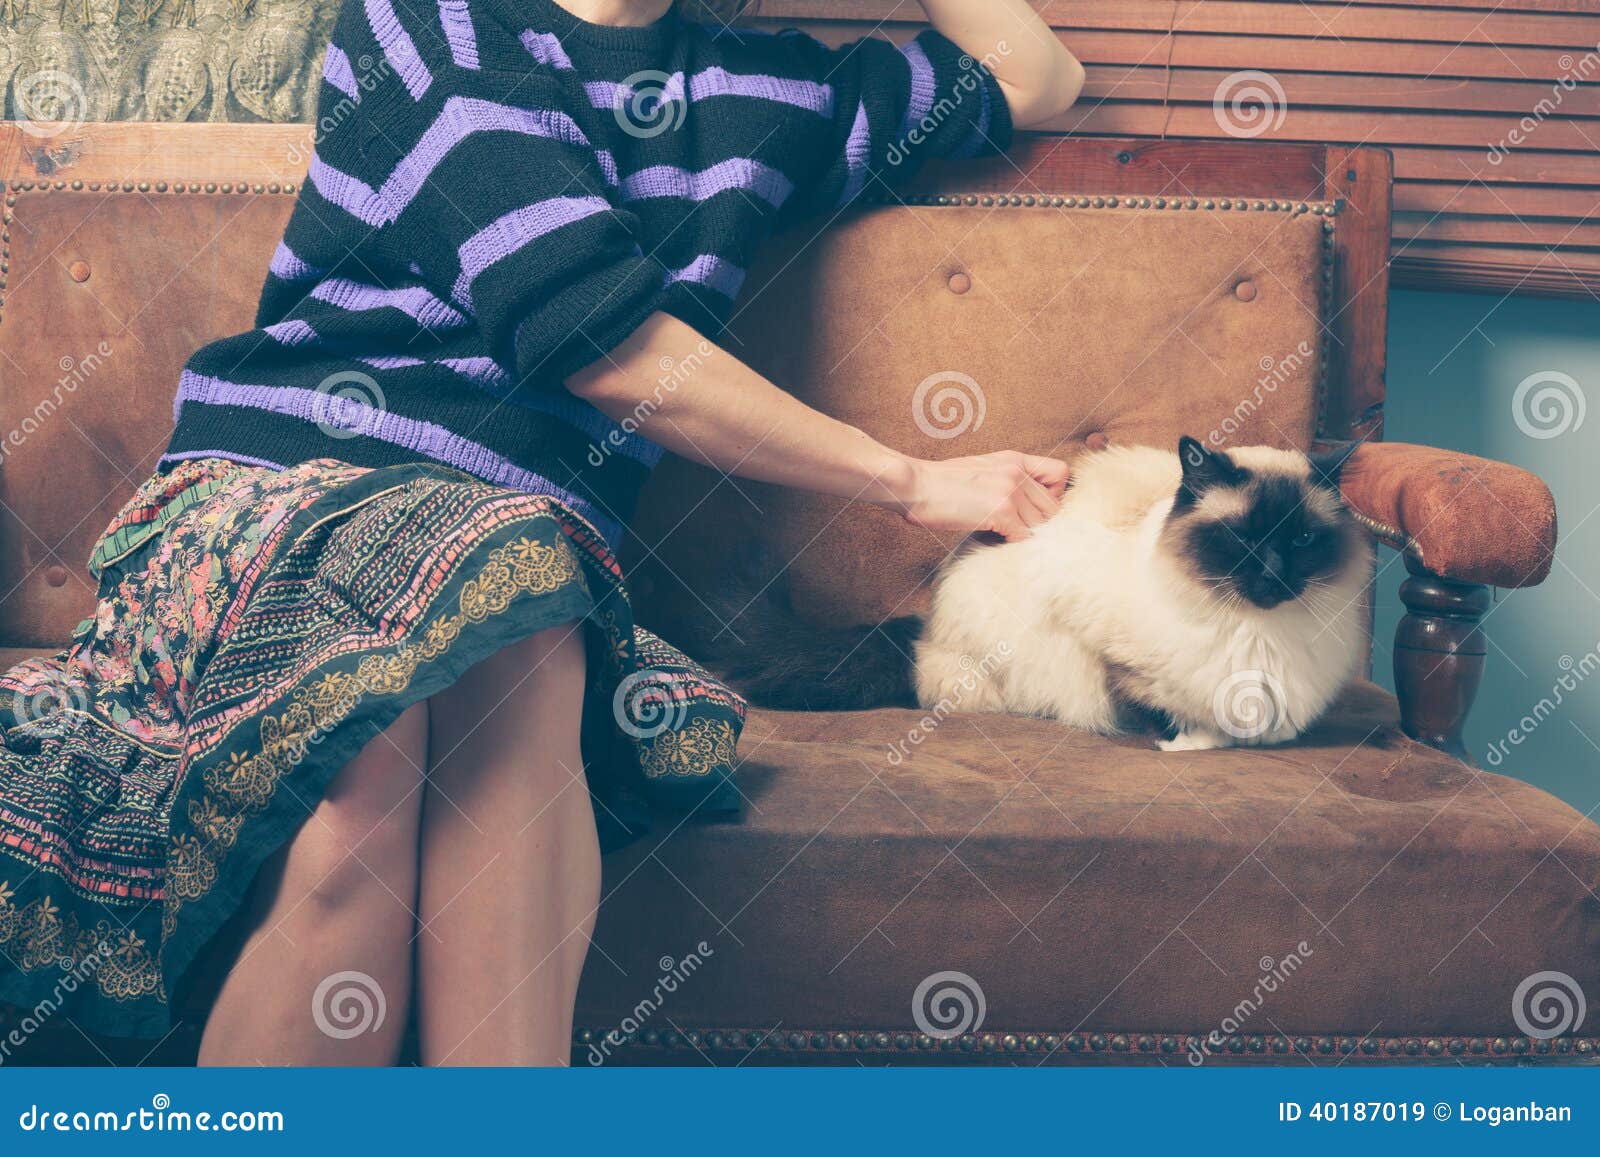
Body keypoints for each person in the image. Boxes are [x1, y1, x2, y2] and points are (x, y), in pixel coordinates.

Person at [0, 0, 1083, 1066]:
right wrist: (905, 476)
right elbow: (593, 339)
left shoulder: (770, 90)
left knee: (515, 600)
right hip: (279, 499)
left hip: (517, 565)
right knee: (389, 726)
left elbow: (1032, 74)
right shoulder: (427, 24)